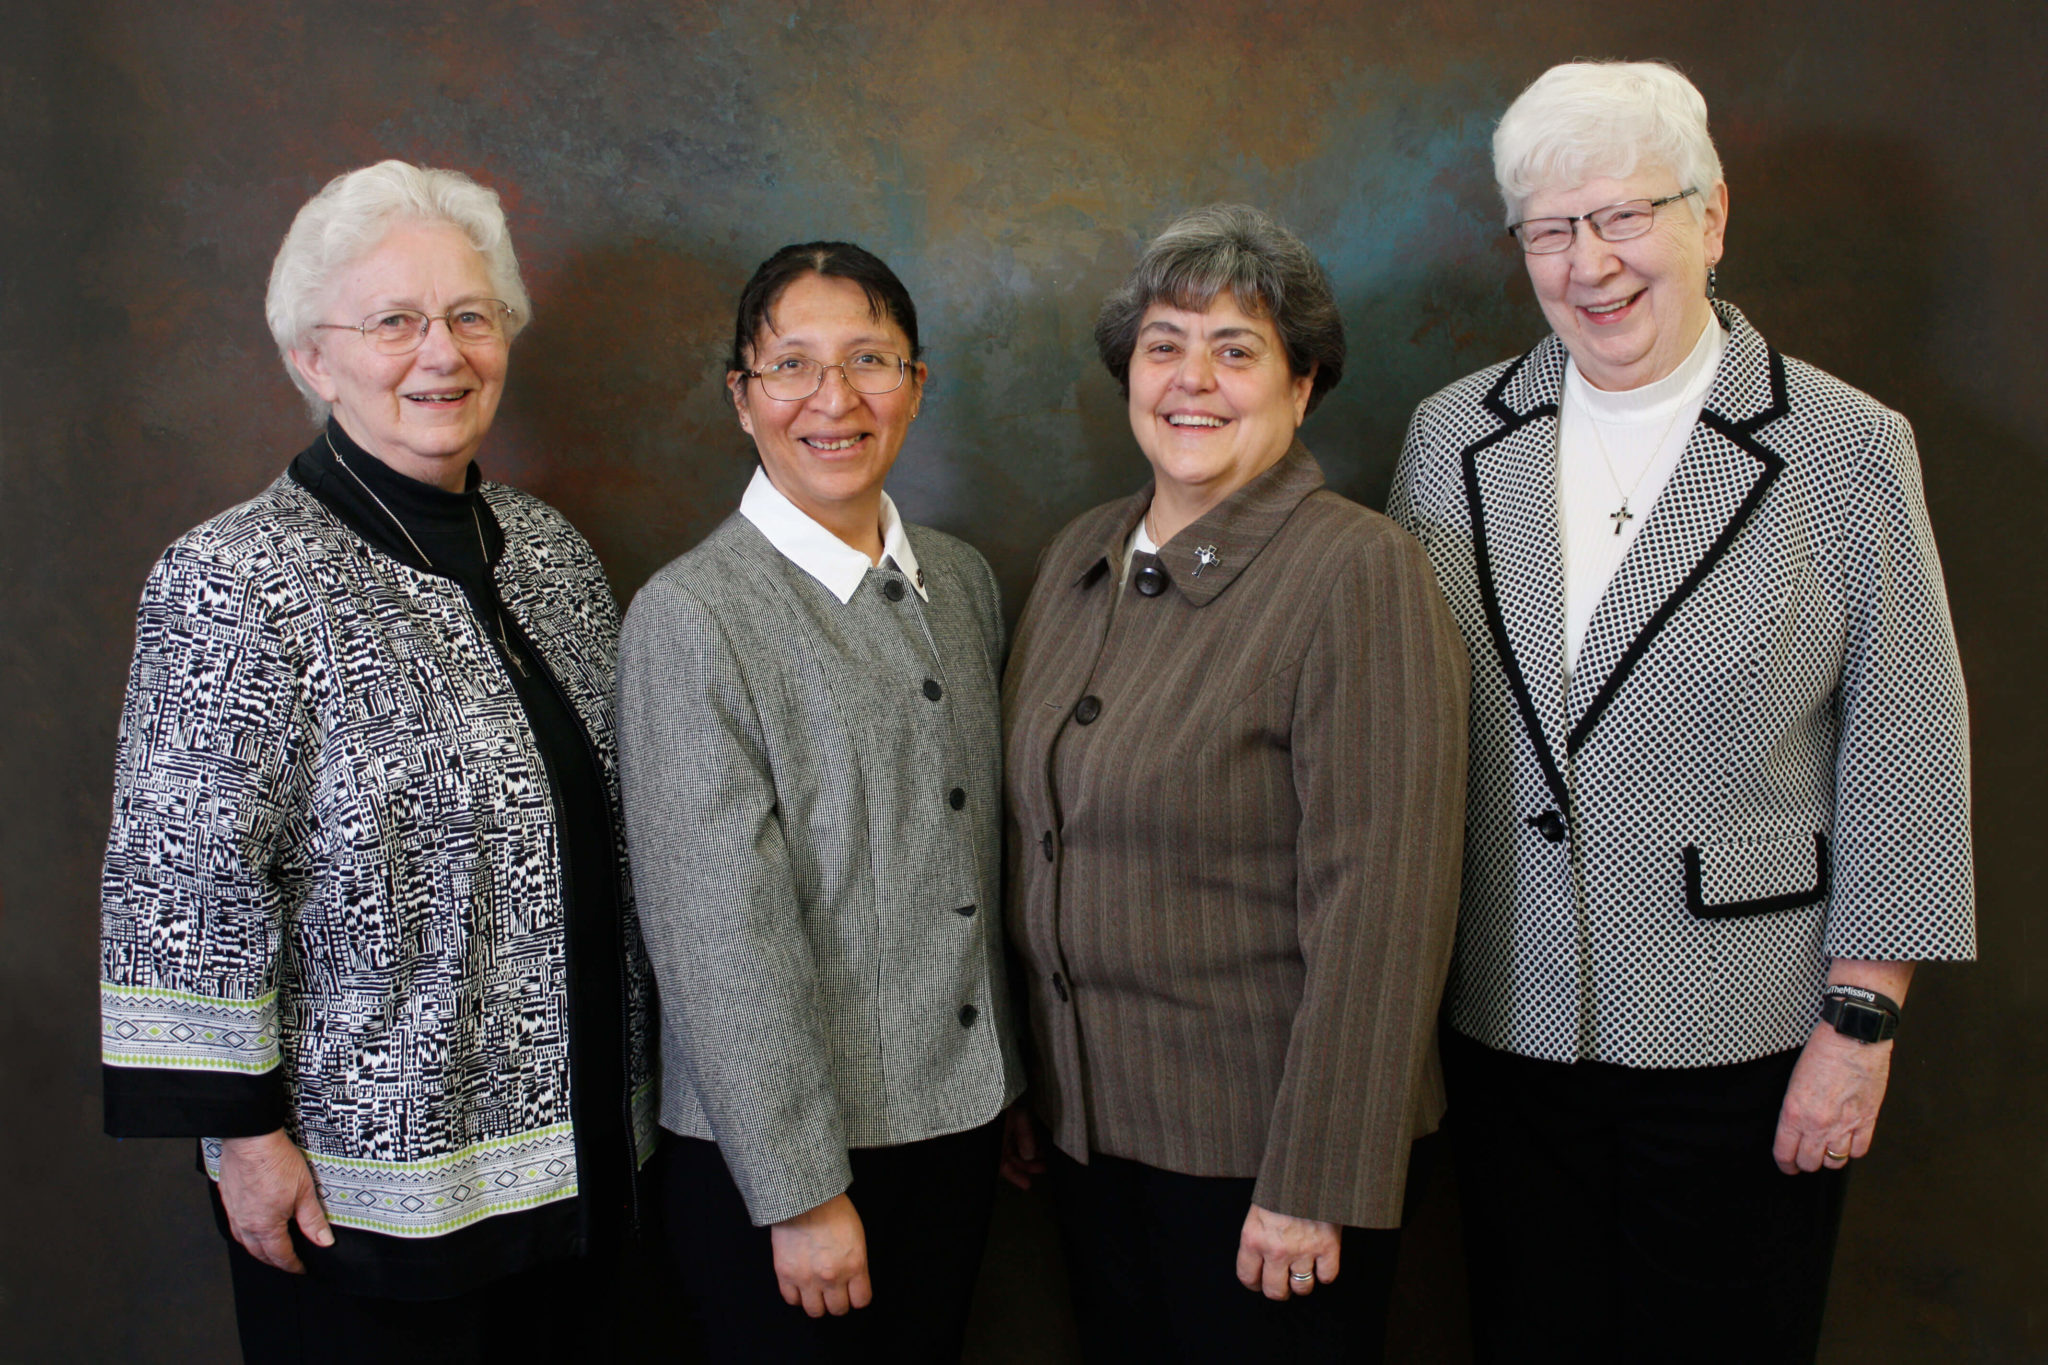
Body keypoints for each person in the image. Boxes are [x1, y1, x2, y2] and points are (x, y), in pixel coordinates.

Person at [1387, 60, 1976, 1363]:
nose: (1587, 263)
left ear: (1711, 218)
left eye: (1622, 216)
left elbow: (1908, 747)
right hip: (1505, 1021)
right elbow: (1404, 722)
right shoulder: (1449, 437)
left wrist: (1861, 1023)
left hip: (1748, 1036)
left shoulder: (1843, 445)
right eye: (1549, 230)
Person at [98, 161, 656, 1361]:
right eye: (393, 321)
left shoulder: (554, 559)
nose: (440, 353)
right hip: (369, 1192)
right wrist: (242, 1145)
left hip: (587, 1166)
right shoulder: (234, 580)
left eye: (469, 314)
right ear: (314, 358)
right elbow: (180, 892)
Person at [1001, 204, 1470, 1361]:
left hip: (1261, 1167)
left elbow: (1384, 904)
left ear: (1302, 385)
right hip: (1087, 1144)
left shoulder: (1358, 573)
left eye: (1235, 348)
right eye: (1163, 344)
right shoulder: (1080, 556)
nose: (1190, 379)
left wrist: (1312, 1176)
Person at [617, 241, 1022, 1363]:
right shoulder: (693, 616)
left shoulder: (963, 578)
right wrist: (798, 1197)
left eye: (868, 360)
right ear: (740, 398)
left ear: (917, 382)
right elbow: (714, 939)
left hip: (955, 1127)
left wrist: (1010, 1078)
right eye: (790, 366)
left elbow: (976, 854)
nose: (832, 400)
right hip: (788, 1167)